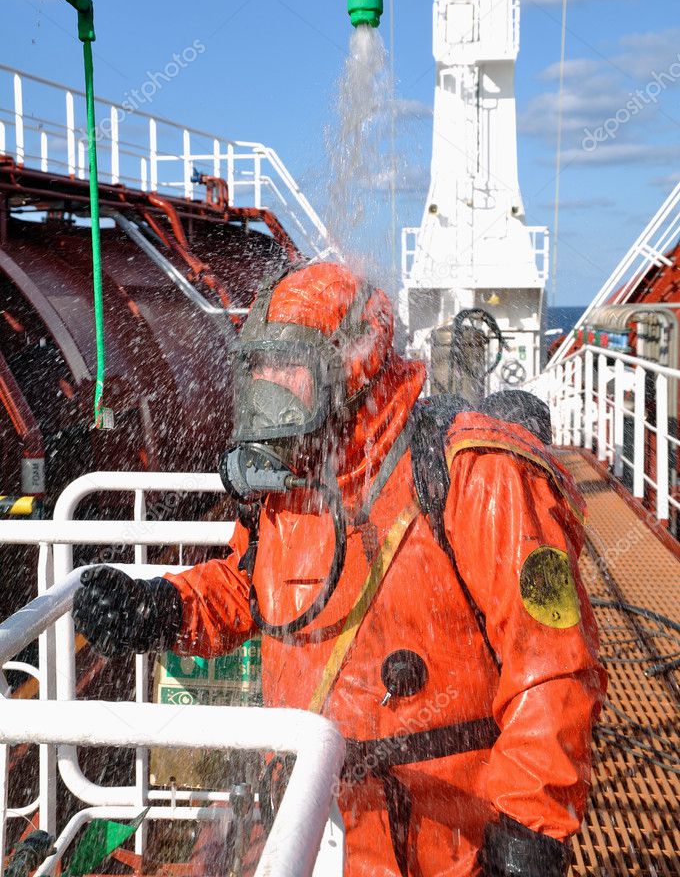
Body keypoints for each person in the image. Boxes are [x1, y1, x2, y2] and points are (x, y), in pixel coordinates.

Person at [73, 262, 607, 877]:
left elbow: (553, 669)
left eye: (287, 365)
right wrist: (161, 606)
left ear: (351, 364)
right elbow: (253, 585)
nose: (269, 386)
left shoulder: (474, 472)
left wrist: (526, 839)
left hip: (450, 834)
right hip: (314, 815)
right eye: (259, 367)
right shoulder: (291, 479)